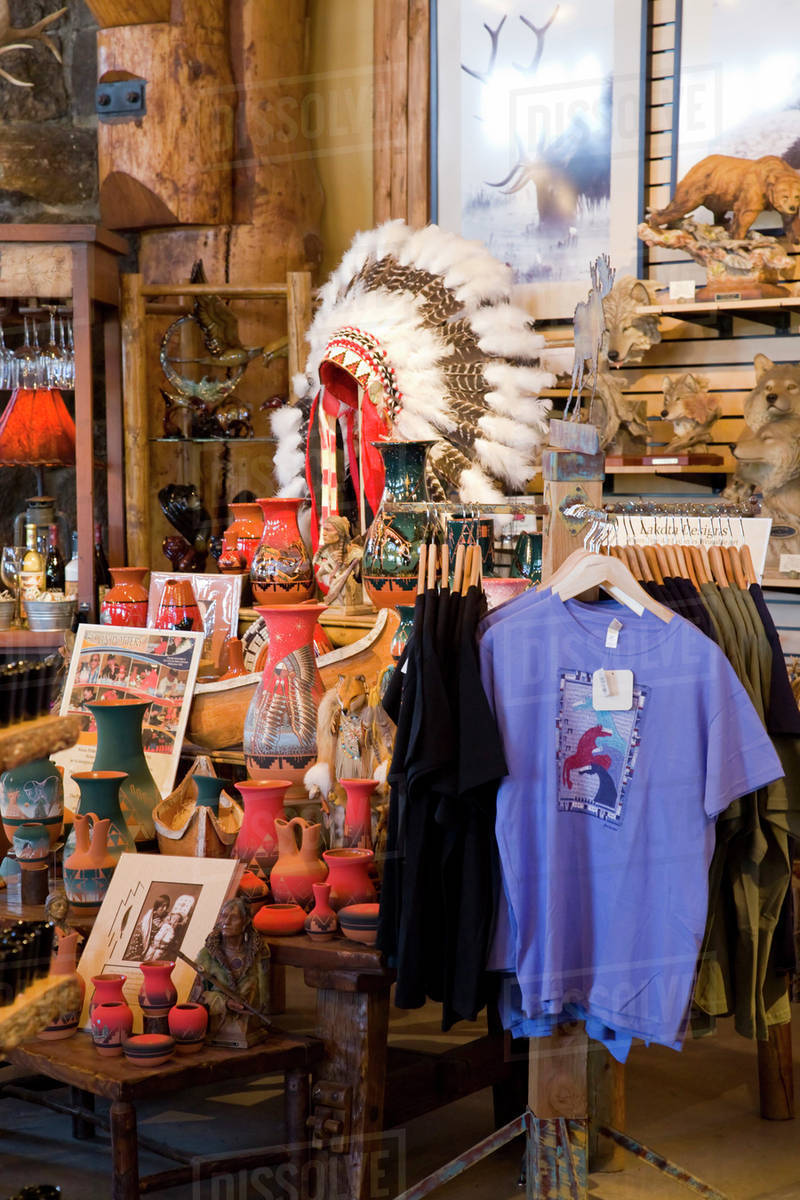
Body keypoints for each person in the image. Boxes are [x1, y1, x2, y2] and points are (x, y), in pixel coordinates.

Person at [189, 897, 270, 1045]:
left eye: (233, 918)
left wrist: (253, 1002)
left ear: (245, 922)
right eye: (224, 916)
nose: (226, 922)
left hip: (249, 1022)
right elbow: (196, 995)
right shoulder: (207, 955)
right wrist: (224, 1003)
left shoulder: (257, 952)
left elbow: (264, 990)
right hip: (217, 1023)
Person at [144, 893, 196, 961]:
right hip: (155, 942)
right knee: (148, 957)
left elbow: (183, 923)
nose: (165, 909)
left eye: (166, 906)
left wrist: (178, 920)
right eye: (162, 906)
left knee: (157, 956)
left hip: (164, 944)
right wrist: (167, 921)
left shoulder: (180, 919)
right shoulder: (168, 916)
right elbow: (162, 922)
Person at [126, 893, 170, 961]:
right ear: (157, 906)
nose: (165, 909)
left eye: (167, 907)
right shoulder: (144, 923)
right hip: (140, 954)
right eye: (163, 906)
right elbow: (136, 943)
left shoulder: (168, 919)